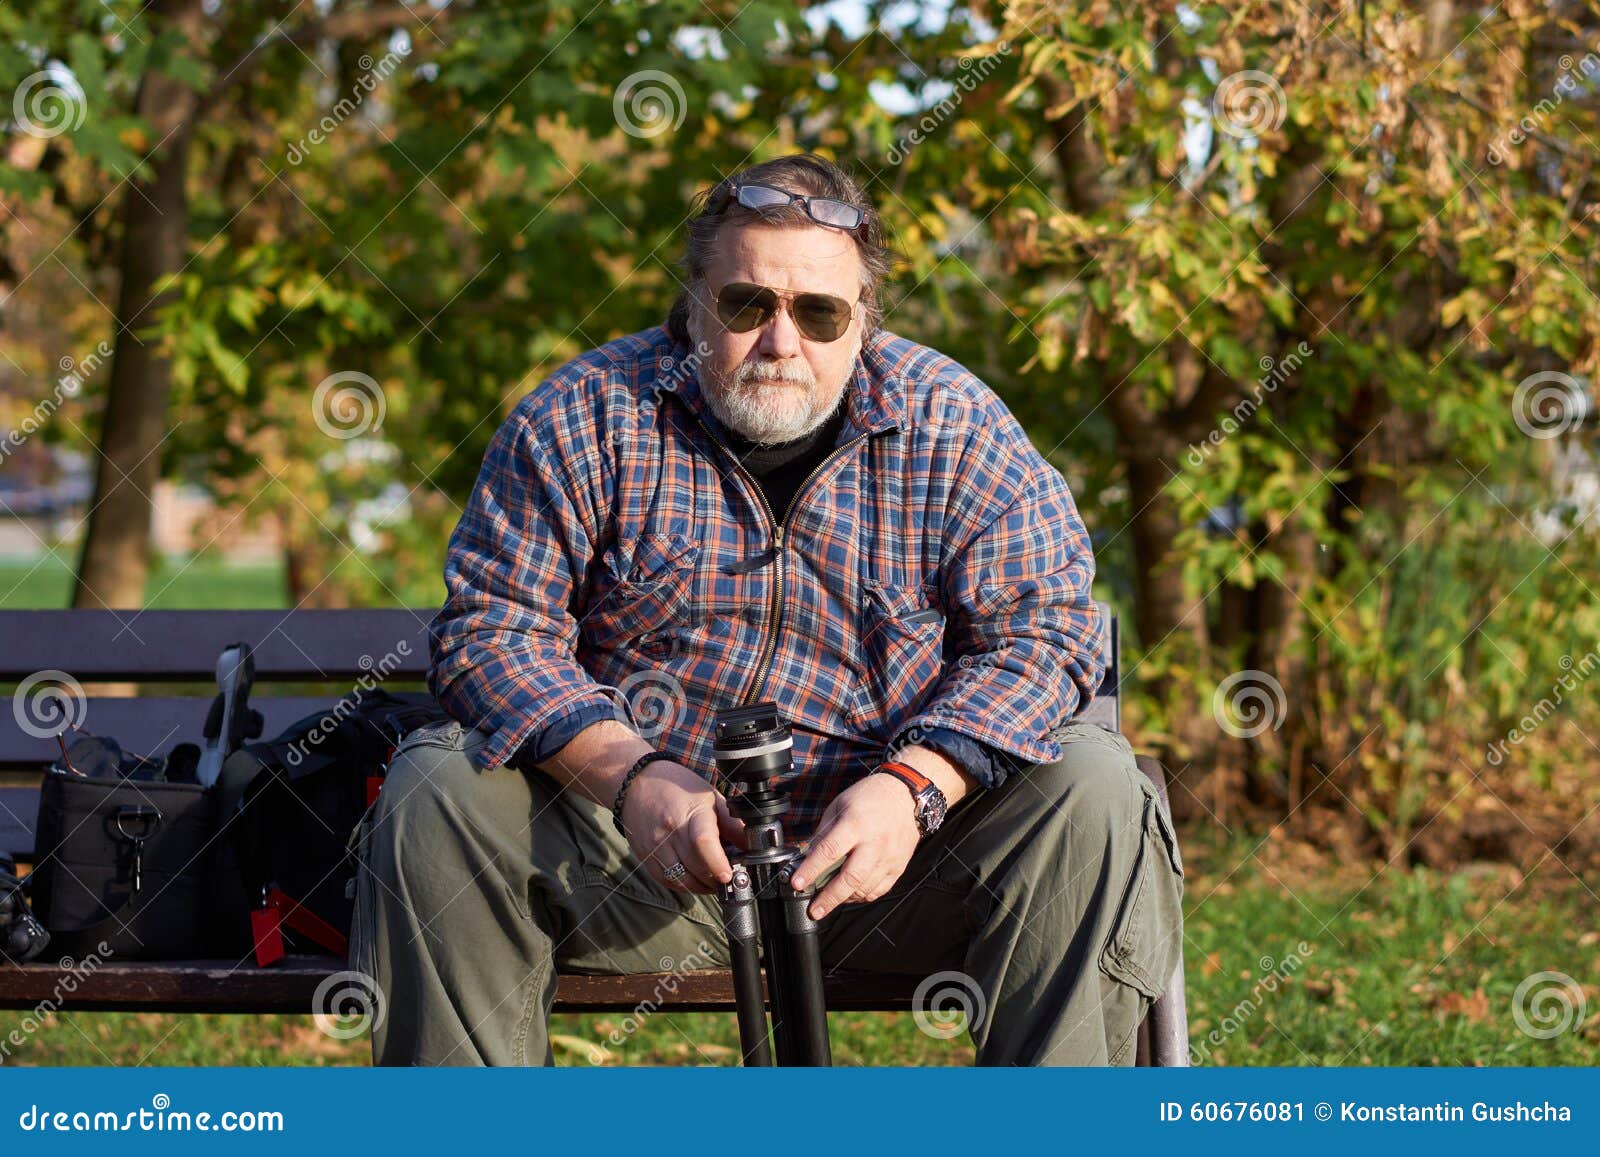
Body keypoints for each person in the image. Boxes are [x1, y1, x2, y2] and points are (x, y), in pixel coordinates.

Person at [350, 153, 1183, 1066]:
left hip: (894, 872)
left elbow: (1046, 636)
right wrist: (630, 776)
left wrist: (914, 790)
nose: (781, 341)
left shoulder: (959, 426)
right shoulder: (583, 414)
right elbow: (489, 632)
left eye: (819, 312)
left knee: (1096, 783)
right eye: (747, 304)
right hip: (642, 870)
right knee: (439, 784)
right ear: (695, 302)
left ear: (864, 321)